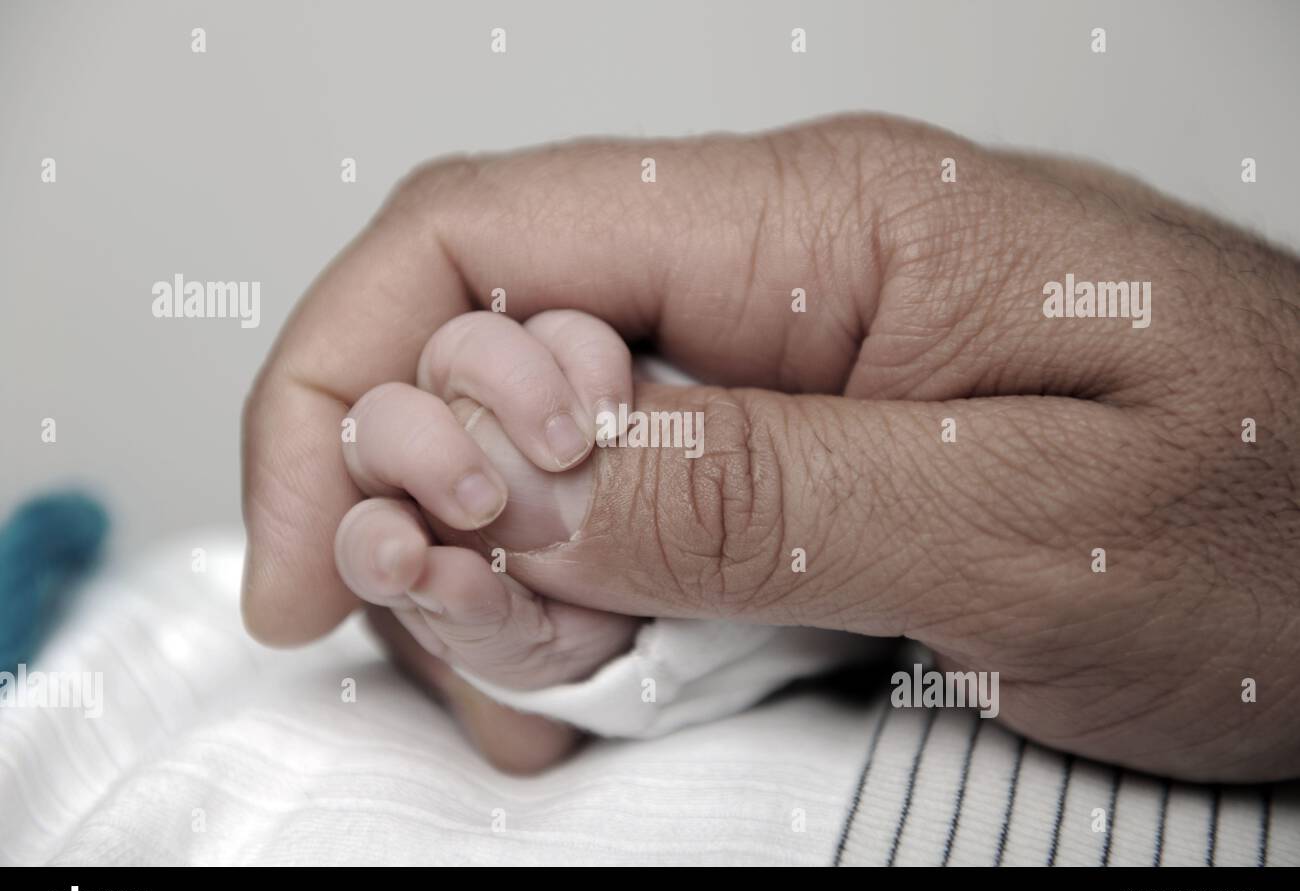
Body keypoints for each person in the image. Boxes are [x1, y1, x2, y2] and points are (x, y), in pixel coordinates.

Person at [241, 113, 1300, 781]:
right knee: (516, 525)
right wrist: (568, 667)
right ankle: (565, 640)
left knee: (570, 422)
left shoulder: (780, 439)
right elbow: (779, 631)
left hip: (811, 589)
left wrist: (586, 382)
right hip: (731, 624)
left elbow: (818, 582)